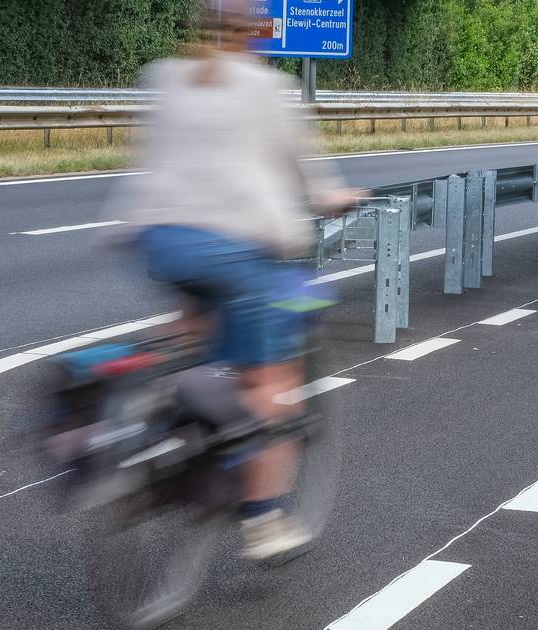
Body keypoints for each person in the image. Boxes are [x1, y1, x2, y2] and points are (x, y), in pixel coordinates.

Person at [106, 0, 356, 560]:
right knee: (268, 382)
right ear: (256, 34)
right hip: (237, 252)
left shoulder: (166, 78)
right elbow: (310, 177)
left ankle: (157, 412)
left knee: (192, 335)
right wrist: (337, 198)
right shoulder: (269, 89)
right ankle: (263, 520)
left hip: (162, 241)